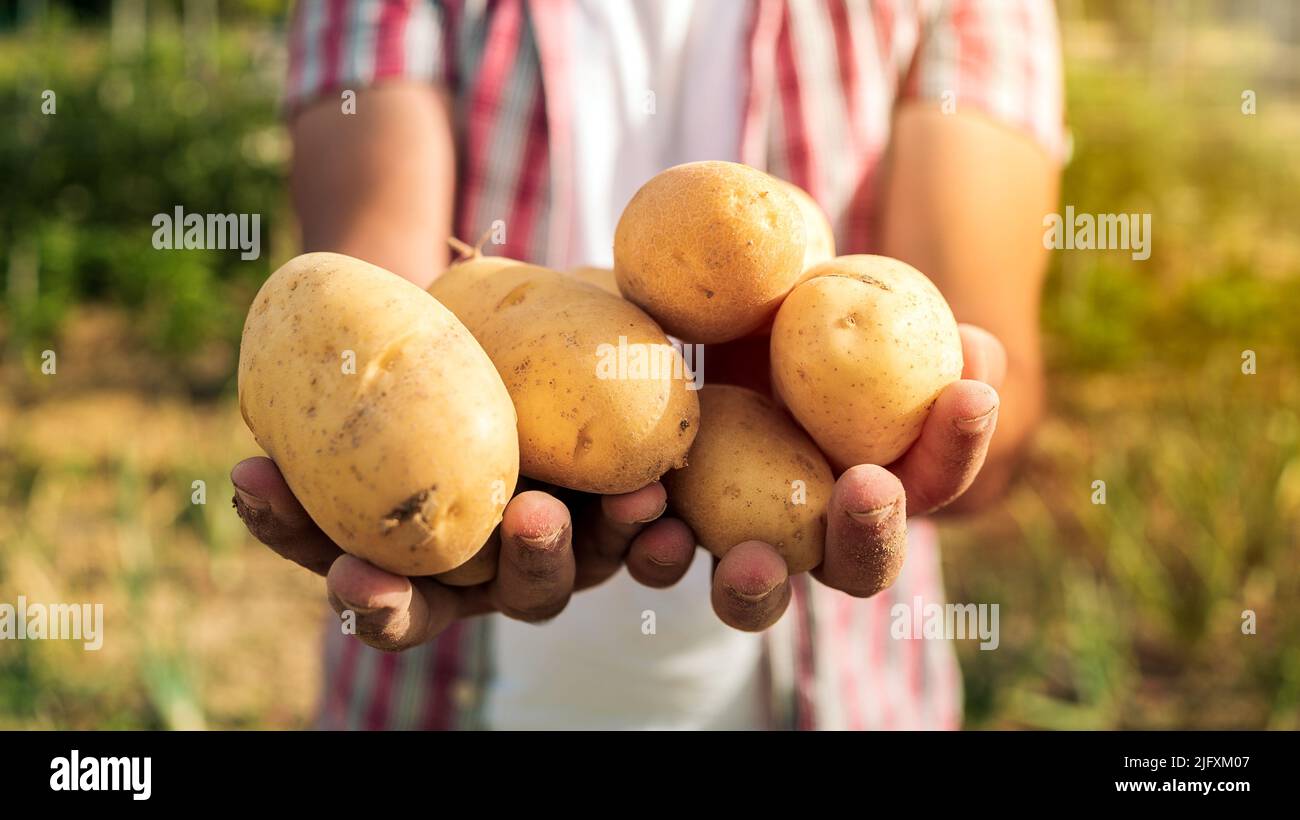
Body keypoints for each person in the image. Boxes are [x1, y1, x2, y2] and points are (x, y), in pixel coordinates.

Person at [230, 0, 1064, 730]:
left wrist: (940, 435)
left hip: (847, 694)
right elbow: (377, 296)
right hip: (436, 692)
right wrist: (404, 480)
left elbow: (993, 372)